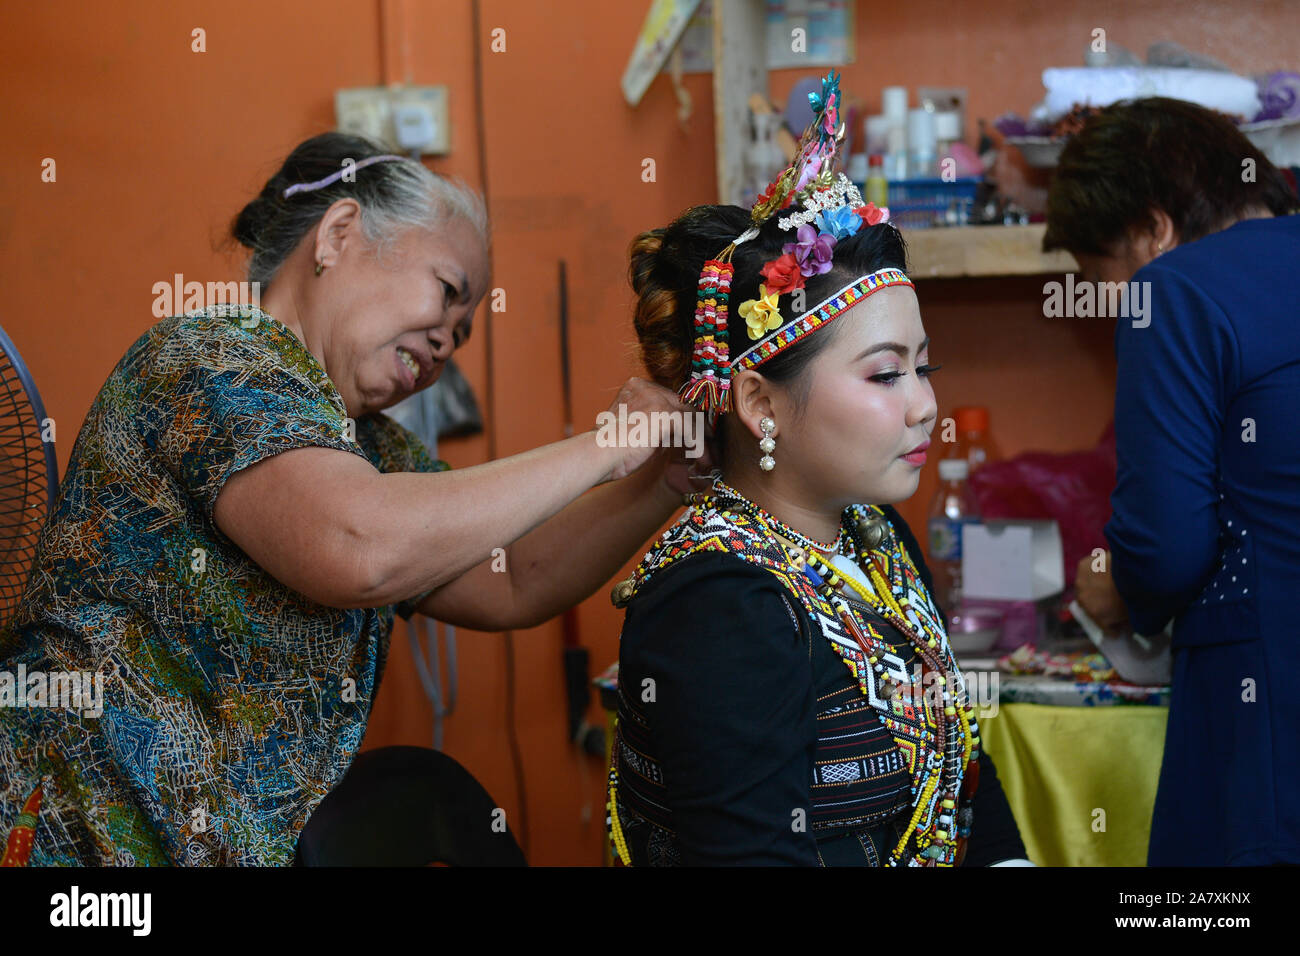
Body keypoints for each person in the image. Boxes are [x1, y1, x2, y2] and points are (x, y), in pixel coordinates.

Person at [0, 133, 702, 866]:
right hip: (72, 842)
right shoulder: (210, 359)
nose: (444, 346)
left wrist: (662, 483)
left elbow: (515, 575)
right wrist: (608, 446)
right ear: (337, 235)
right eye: (446, 292)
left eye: (461, 337)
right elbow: (358, 547)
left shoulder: (365, 445)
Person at [604, 74, 1029, 867]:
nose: (924, 407)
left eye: (923, 368)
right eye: (883, 375)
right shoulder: (720, 603)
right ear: (760, 403)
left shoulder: (877, 539)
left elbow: (960, 773)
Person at [1044, 98, 1300, 866]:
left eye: (1104, 280)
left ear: (1152, 230)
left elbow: (1167, 548)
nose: (1114, 307)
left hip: (1269, 724)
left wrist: (1117, 585)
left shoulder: (1175, 291)